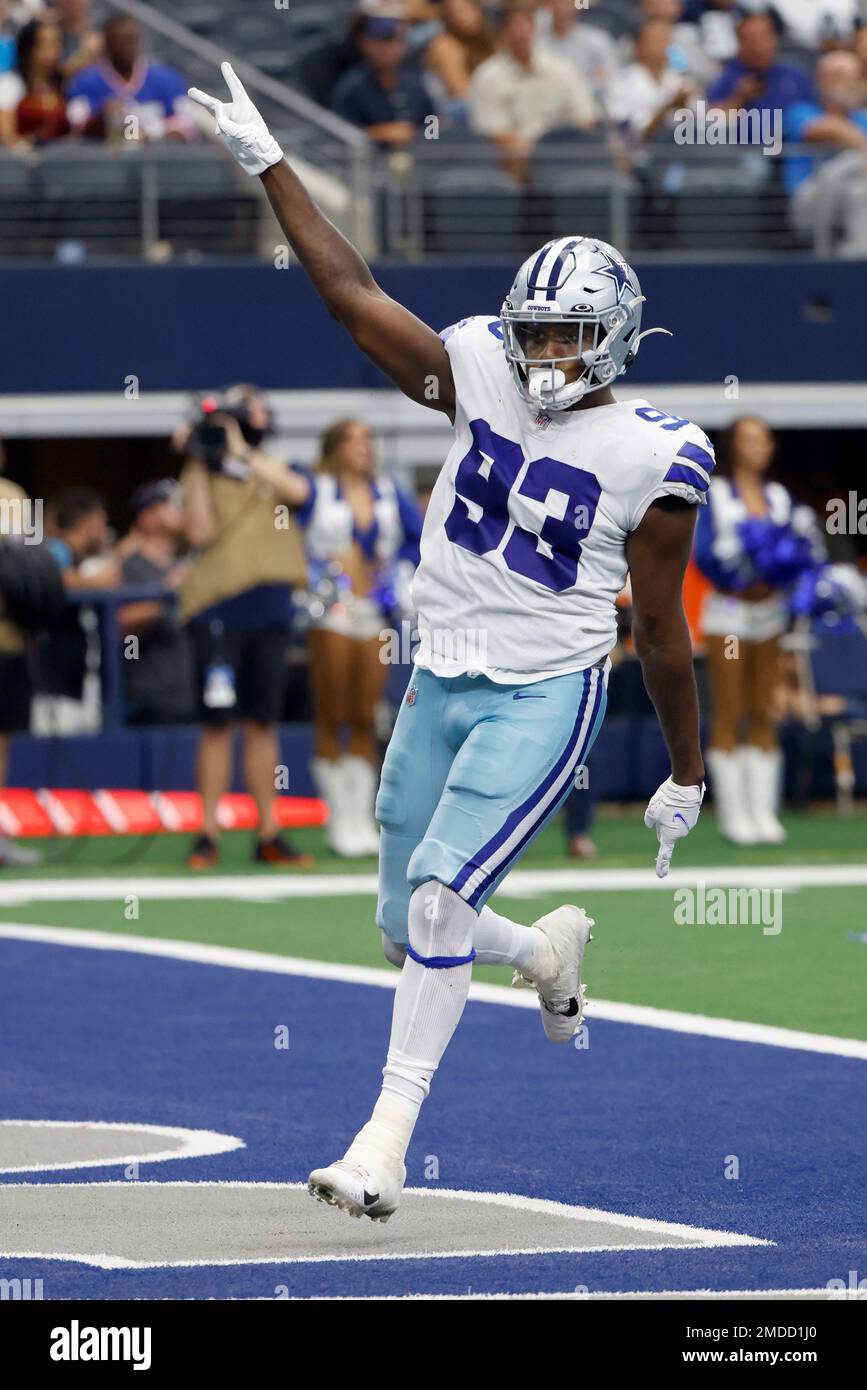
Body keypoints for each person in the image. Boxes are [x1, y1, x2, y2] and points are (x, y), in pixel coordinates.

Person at [190, 62, 711, 1224]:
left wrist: (686, 768)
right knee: (401, 924)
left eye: (573, 336)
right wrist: (272, 164)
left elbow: (665, 632)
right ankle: (543, 956)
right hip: (440, 676)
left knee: (435, 903)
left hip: (545, 688)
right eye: (538, 331)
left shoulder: (656, 454)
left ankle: (383, 1142)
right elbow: (352, 297)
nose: (546, 354)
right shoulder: (476, 362)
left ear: (617, 339)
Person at [178, 387, 313, 871]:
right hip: (219, 608)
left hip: (271, 607)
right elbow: (197, 533)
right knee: (217, 724)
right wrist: (198, 460)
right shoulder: (203, 471)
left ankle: (268, 831)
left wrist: (243, 452)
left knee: (263, 722)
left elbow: (300, 493)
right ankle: (208, 832)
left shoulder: (271, 466)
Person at [694, 416, 823, 846]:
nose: (759, 446)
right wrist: (741, 569)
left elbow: (802, 552)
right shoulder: (716, 494)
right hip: (730, 614)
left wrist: (786, 574)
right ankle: (734, 813)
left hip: (769, 614)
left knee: (765, 708)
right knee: (731, 710)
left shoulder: (779, 497)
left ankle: (763, 811)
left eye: (764, 439)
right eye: (749, 439)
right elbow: (705, 554)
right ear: (733, 446)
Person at [298, 418, 423, 858]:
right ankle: (337, 816)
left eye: (368, 440)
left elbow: (418, 538)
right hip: (330, 608)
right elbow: (293, 528)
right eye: (353, 440)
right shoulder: (316, 487)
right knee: (333, 712)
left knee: (366, 713)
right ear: (334, 447)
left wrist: (394, 572)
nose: (363, 448)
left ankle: (359, 816)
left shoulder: (387, 491)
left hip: (374, 607)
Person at [469, 0, 597, 173]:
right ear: (503, 33)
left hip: (563, 155)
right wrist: (534, 151)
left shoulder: (562, 69)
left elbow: (585, 118)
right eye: (514, 28)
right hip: (515, 160)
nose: (520, 34)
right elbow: (492, 131)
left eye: (525, 26)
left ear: (534, 29)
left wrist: (557, 147)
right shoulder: (487, 76)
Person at [116, 479, 195, 726]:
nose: (179, 510)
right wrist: (167, 595)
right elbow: (122, 623)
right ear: (146, 517)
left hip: (187, 690)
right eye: (169, 505)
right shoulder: (132, 563)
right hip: (149, 696)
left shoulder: (184, 564)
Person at [785, 50, 867, 256]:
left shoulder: (863, 119)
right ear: (823, 81)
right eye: (844, 76)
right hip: (808, 203)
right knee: (850, 164)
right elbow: (820, 129)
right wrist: (862, 147)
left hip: (853, 200)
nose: (853, 83)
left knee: (859, 190)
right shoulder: (800, 111)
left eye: (857, 76)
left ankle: (855, 257)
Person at [66, 13, 196, 142]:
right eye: (120, 41)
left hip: (156, 158)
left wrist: (153, 134)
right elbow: (76, 126)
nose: (127, 47)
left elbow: (186, 124)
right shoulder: (85, 82)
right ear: (107, 43)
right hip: (104, 159)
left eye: (131, 40)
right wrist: (102, 117)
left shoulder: (166, 79)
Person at [329, 12, 431, 148]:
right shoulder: (350, 89)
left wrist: (419, 133)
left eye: (397, 40)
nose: (391, 48)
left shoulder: (413, 84)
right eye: (384, 40)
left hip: (420, 159)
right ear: (365, 43)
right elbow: (335, 137)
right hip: (370, 164)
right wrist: (376, 133)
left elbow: (435, 123)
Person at [706, 10, 814, 122]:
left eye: (763, 38)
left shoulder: (796, 77)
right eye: (751, 39)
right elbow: (710, 124)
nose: (758, 46)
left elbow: (814, 116)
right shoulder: (726, 80)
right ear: (740, 44)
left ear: (774, 39)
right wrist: (739, 98)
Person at [605, 17, 700, 144]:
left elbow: (702, 128)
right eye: (656, 40)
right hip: (639, 157)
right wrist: (669, 107)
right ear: (637, 46)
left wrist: (684, 108)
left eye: (666, 39)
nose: (664, 44)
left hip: (683, 154)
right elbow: (631, 133)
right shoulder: (621, 81)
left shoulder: (683, 80)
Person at [0, 16, 68, 147]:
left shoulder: (62, 84)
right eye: (47, 43)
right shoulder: (10, 85)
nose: (55, 49)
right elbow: (7, 136)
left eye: (57, 43)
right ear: (29, 49)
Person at [425, 0, 495, 116]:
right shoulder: (445, 45)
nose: (463, 17)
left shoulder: (487, 38)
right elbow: (461, 92)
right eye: (456, 13)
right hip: (455, 112)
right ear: (448, 17)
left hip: (486, 103)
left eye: (468, 10)